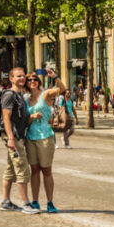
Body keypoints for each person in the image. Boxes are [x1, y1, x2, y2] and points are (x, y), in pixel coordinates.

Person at [26, 69, 66, 213]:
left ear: (39, 81)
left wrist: (55, 76)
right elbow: (25, 119)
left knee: (46, 170)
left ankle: (50, 202)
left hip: (45, 137)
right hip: (30, 137)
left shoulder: (46, 94)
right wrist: (31, 117)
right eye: (29, 80)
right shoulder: (26, 99)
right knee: (34, 170)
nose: (32, 82)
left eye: (35, 79)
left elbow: (62, 89)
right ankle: (35, 201)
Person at [0, 67, 39, 214]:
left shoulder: (19, 95)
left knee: (10, 169)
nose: (22, 78)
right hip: (14, 137)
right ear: (11, 79)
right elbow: (6, 117)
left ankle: (6, 201)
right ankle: (26, 204)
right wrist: (11, 138)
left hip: (17, 136)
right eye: (18, 76)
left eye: (23, 76)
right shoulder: (9, 95)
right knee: (22, 168)